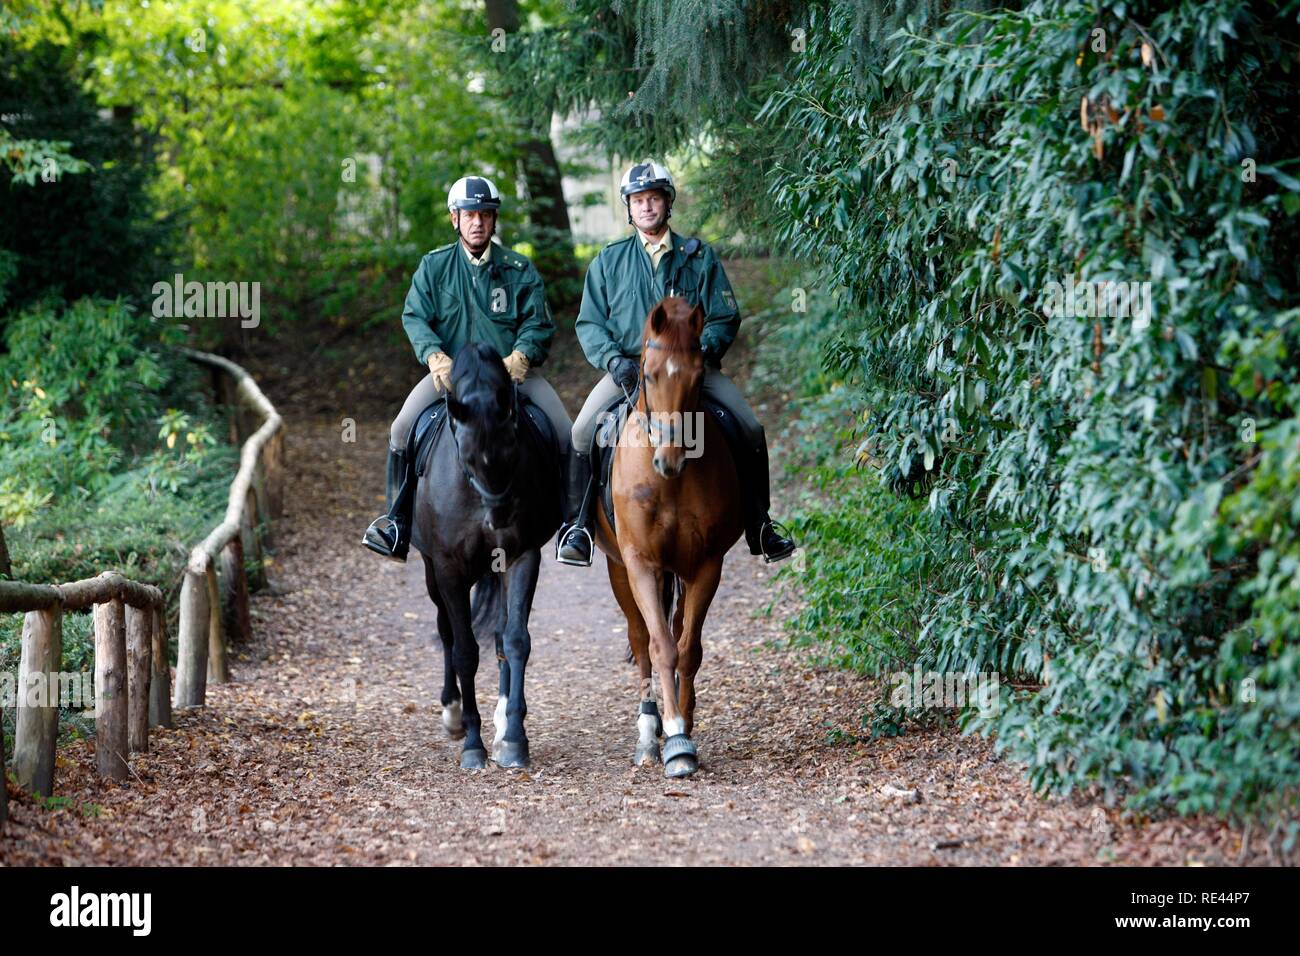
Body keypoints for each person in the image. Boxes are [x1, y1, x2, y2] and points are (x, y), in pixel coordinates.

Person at [555, 161, 796, 567]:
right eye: (638, 201)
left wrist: (700, 354)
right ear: (628, 209)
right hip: (631, 371)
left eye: (653, 199)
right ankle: (578, 526)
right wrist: (614, 361)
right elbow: (590, 323)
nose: (646, 207)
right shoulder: (608, 262)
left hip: (689, 371)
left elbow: (723, 316)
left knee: (750, 428)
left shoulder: (699, 257)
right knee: (581, 432)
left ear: (667, 203)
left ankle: (760, 524)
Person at [362, 175, 572, 561]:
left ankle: (572, 523)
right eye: (469, 214)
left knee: (564, 431)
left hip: (509, 377)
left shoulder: (519, 269)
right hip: (452, 379)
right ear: (454, 219)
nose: (478, 222)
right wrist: (433, 354)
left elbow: (538, 322)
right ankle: (395, 523)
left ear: (494, 221)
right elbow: (415, 317)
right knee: (401, 428)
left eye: (485, 215)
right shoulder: (434, 266)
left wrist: (523, 354)